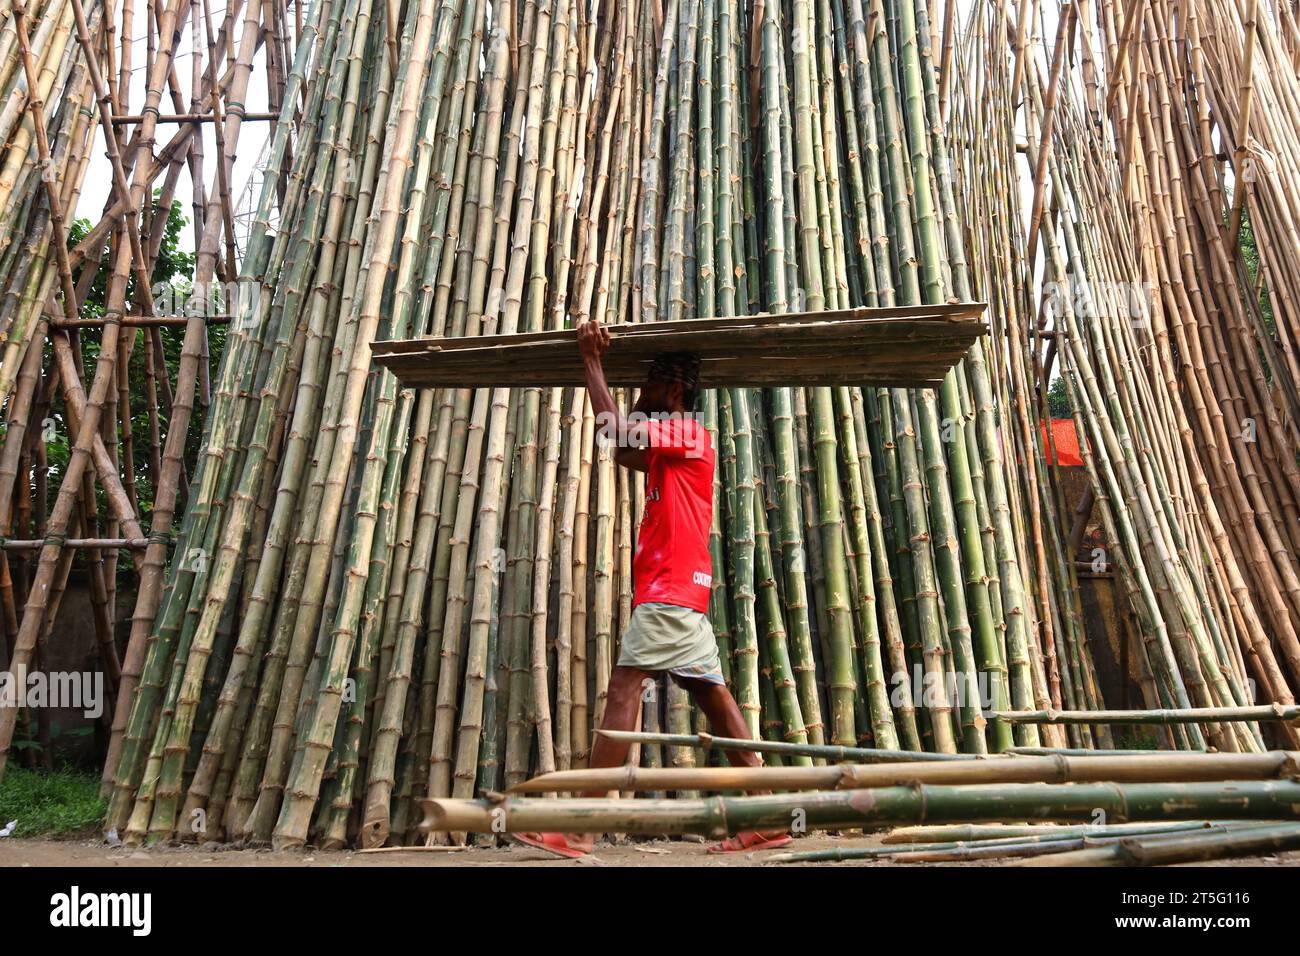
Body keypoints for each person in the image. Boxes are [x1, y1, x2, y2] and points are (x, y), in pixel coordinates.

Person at [512, 319, 792, 858]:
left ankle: (581, 826)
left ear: (676, 391)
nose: (642, 392)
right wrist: (642, 397)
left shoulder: (689, 432)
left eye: (652, 382)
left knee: (623, 691)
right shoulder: (675, 442)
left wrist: (591, 361)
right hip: (684, 590)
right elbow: (621, 451)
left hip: (669, 590)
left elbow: (615, 432)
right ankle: (770, 816)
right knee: (713, 695)